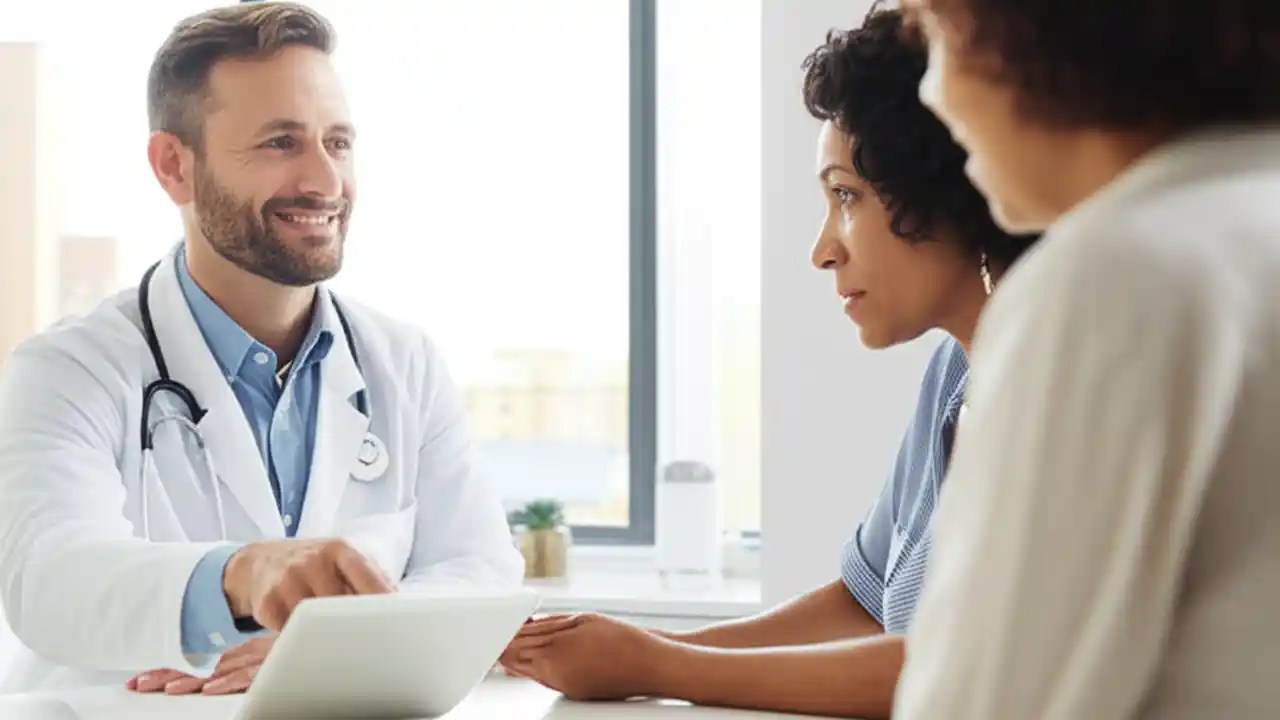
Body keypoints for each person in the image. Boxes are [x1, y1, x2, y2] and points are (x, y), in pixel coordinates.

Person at [500, 10, 1035, 718]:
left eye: (845, 196)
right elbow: (863, 605)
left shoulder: (1055, 384)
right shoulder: (952, 374)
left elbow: (959, 661)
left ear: (939, 188)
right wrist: (644, 651)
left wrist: (662, 665)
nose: (823, 249)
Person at [0, 2, 522, 694]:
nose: (325, 181)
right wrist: (239, 577)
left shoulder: (405, 364)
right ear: (174, 167)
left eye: (337, 143)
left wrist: (329, 645)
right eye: (281, 143)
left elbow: (481, 573)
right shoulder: (69, 370)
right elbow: (49, 580)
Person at [893, 1, 1280, 717]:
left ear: (1028, 30)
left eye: (942, 37)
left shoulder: (1114, 276)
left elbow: (993, 701)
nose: (932, 91)